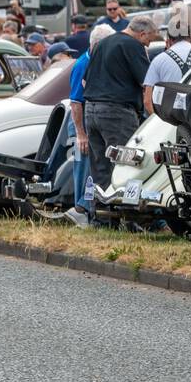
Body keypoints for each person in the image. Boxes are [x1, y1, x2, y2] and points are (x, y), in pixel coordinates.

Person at [82, 17, 154, 191]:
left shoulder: (101, 43)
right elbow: (146, 81)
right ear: (142, 33)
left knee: (100, 167)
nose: (149, 45)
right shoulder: (133, 45)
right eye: (149, 40)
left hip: (91, 110)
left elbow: (84, 80)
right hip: (117, 112)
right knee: (123, 165)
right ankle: (122, 211)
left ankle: (100, 213)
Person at [66, 22, 116, 228]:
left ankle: (91, 209)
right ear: (97, 45)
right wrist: (81, 134)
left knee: (93, 170)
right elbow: (76, 102)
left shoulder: (98, 61)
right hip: (82, 125)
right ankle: (82, 211)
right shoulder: (83, 64)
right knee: (83, 170)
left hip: (91, 122)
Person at [142, 18, 191, 115]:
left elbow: (147, 101)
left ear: (169, 39)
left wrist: (159, 124)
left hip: (172, 120)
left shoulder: (158, 60)